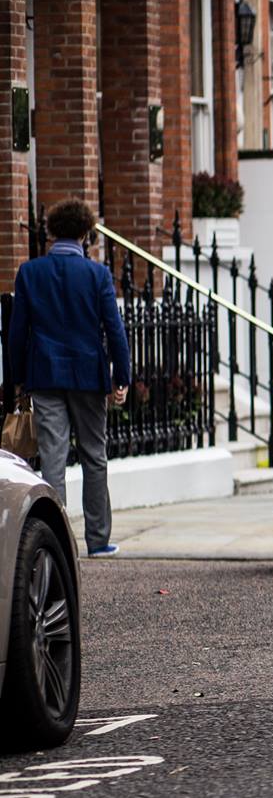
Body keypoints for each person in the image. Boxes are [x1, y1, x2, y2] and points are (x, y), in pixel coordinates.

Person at [4, 200, 132, 556]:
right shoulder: (98, 274)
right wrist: (121, 376)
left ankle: (55, 542)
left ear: (52, 232)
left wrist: (17, 378)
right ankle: (98, 540)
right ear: (85, 233)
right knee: (94, 456)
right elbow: (114, 331)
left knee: (52, 457)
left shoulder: (30, 273)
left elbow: (18, 333)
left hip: (44, 375)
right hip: (89, 377)